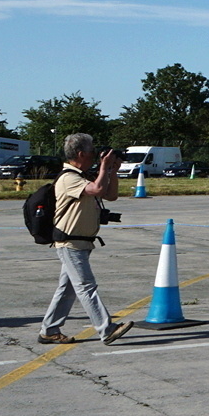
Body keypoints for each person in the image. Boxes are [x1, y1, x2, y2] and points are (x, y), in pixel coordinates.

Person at [39, 133, 132, 346]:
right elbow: (98, 189)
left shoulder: (82, 176)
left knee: (68, 289)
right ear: (81, 154)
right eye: (92, 151)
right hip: (70, 243)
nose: (95, 155)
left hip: (81, 242)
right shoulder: (68, 178)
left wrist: (111, 171)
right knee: (86, 287)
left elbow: (109, 195)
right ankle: (106, 329)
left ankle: (49, 329)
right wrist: (103, 167)